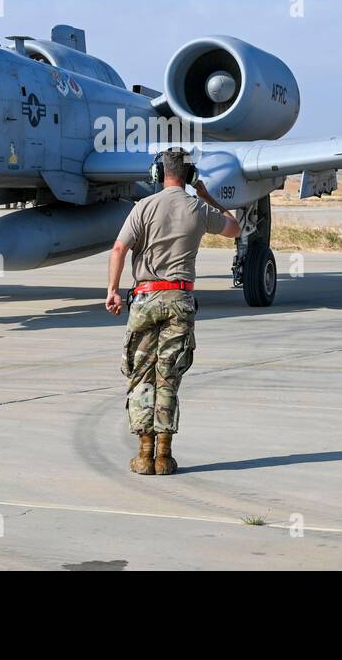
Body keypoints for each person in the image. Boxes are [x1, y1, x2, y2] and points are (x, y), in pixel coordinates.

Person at [105, 149, 241, 475]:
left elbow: (119, 248)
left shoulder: (144, 207)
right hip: (180, 301)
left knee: (141, 376)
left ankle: (144, 453)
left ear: (157, 174)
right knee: (168, 377)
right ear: (189, 175)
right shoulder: (198, 207)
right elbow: (235, 228)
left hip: (145, 299)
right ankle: (164, 457)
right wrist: (207, 196)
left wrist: (112, 290)